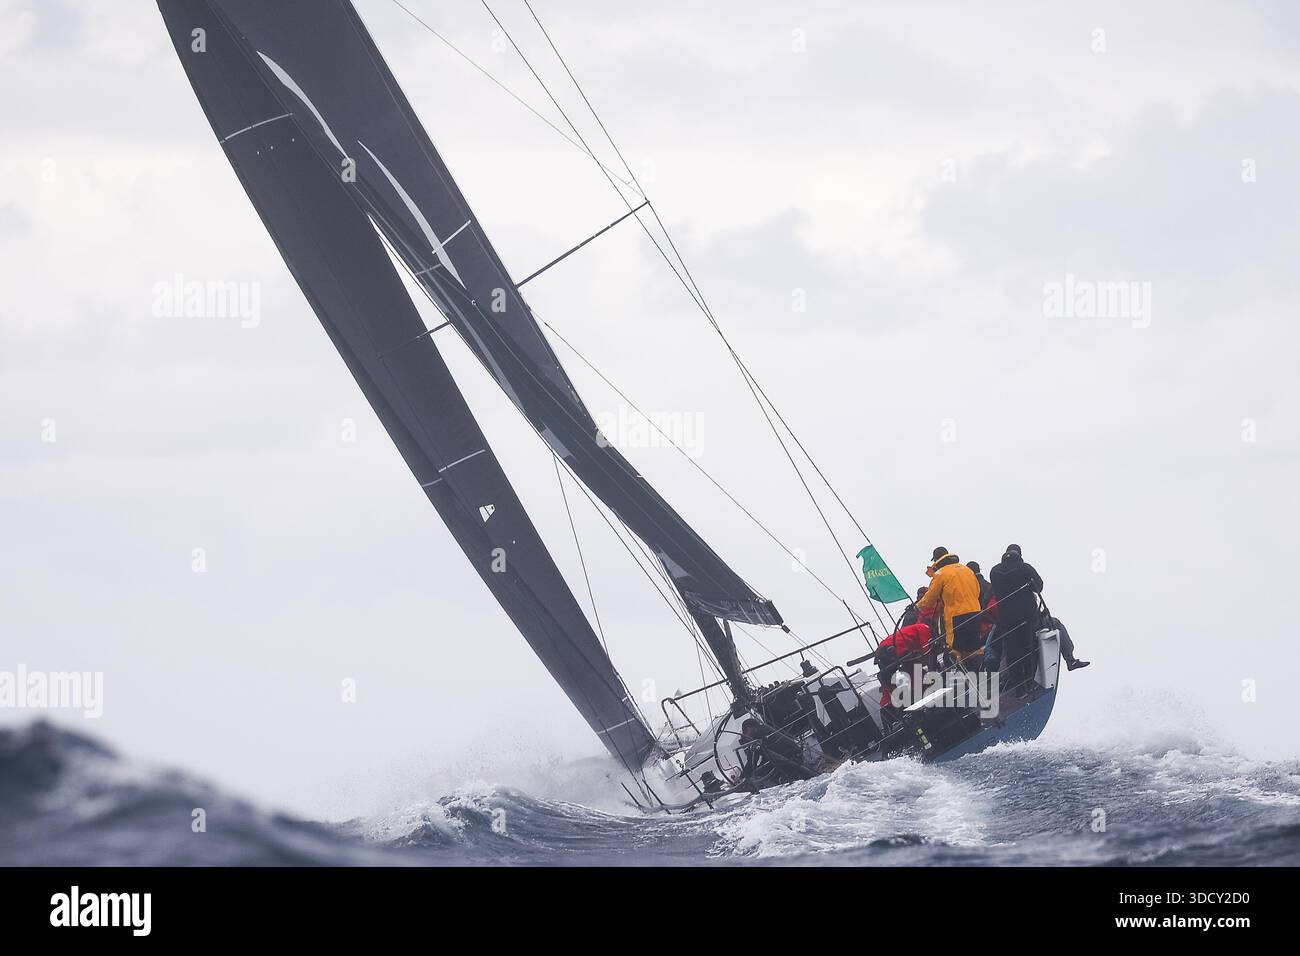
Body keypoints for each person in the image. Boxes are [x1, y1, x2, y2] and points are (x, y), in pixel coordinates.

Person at [989, 544, 1045, 696]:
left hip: (1006, 618)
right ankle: (1029, 682)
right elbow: (1039, 586)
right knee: (1029, 649)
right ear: (1019, 554)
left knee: (1013, 652)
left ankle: (1019, 689)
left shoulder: (994, 571)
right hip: (1027, 616)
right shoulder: (1025, 568)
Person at [916, 547, 983, 664]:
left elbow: (929, 598)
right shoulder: (966, 569)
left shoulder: (940, 574)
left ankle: (961, 678)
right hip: (975, 612)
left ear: (936, 559)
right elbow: (977, 590)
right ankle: (979, 676)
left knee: (955, 651)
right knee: (973, 650)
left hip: (956, 616)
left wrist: (917, 606)